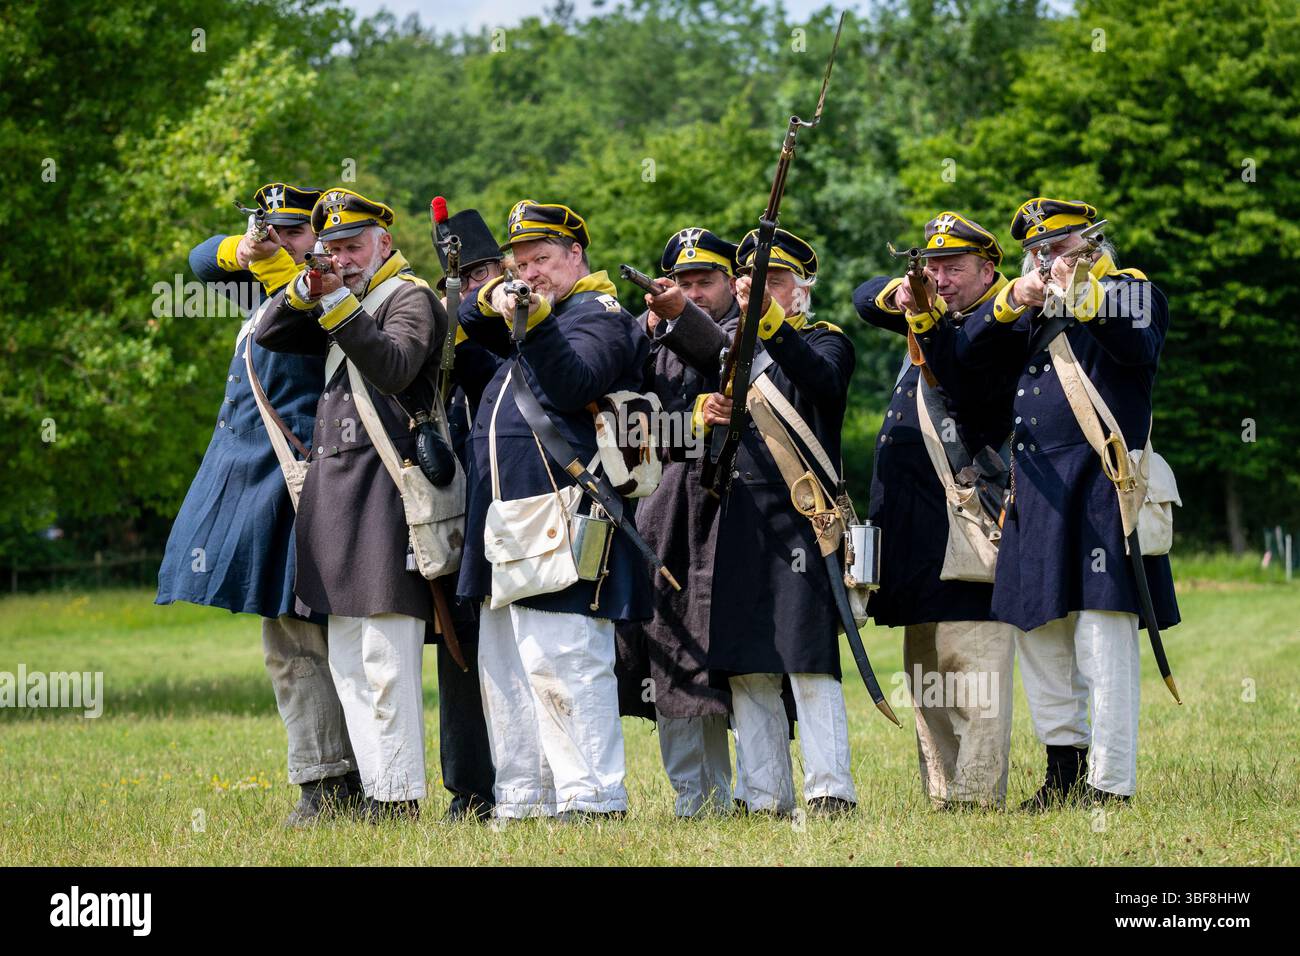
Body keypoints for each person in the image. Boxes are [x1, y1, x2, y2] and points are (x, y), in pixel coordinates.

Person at [921, 197, 1180, 807]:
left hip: (1099, 485)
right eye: (1036, 253)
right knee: (1037, 632)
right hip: (1034, 491)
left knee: (1101, 637)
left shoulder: (1128, 289)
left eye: (1057, 249)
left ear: (1092, 247)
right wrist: (1012, 299)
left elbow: (1137, 345)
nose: (1045, 261)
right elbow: (964, 359)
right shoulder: (1031, 312)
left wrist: (1079, 290)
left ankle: (1111, 782)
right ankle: (1065, 768)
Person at [157, 183, 362, 827]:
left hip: (298, 479)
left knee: (306, 639)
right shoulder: (268, 283)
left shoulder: (324, 298)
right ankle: (332, 777)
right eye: (268, 229)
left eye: (293, 232)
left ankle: (336, 783)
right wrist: (242, 250)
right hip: (253, 478)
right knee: (288, 635)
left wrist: (277, 264)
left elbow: (298, 314)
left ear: (321, 239)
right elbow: (197, 261)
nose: (278, 241)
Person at [255, 187, 448, 821]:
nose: (343, 256)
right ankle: (374, 789)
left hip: (389, 498)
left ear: (384, 243)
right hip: (338, 499)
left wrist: (335, 298)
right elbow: (273, 334)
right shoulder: (347, 301)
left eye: (353, 245)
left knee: (385, 662)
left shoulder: (409, 297)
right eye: (332, 246)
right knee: (348, 662)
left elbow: (394, 367)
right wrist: (307, 289)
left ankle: (397, 798)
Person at [457, 199, 652, 821]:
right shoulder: (537, 309)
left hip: (564, 511)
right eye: (519, 261)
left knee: (568, 656)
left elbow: (574, 385)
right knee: (512, 663)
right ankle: (526, 796)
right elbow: (466, 313)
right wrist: (499, 299)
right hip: (515, 519)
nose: (529, 271)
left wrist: (536, 320)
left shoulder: (598, 313)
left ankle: (593, 796)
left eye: (541, 258)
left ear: (576, 255)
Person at [852, 211, 1018, 808]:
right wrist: (900, 292)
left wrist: (922, 312)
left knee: (974, 672)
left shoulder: (1002, 326)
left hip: (969, 521)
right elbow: (862, 298)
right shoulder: (928, 312)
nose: (941, 278)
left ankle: (976, 797)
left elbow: (960, 370)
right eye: (934, 267)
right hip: (914, 528)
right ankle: (944, 795)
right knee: (927, 678)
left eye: (955, 267)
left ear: (989, 271)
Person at [700, 228, 858, 817]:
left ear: (801, 290)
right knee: (747, 662)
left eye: (777, 281)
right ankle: (762, 792)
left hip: (802, 519)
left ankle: (829, 789)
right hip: (740, 518)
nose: (763, 292)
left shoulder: (825, 340)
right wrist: (705, 412)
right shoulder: (729, 351)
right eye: (754, 284)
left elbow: (820, 380)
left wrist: (766, 321)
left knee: (806, 658)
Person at [615, 226, 740, 817]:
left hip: (733, 514)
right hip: (663, 510)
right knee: (670, 654)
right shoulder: (649, 341)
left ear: (730, 283)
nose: (695, 292)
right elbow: (622, 421)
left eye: (706, 282)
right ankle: (696, 796)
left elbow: (727, 358)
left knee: (734, 657)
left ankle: (761, 790)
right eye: (683, 283)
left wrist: (681, 316)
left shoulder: (751, 333)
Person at [428, 205, 506, 822]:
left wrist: (465, 318)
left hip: (509, 506)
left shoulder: (512, 314)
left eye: (481, 270)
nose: (475, 282)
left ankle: (522, 782)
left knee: (513, 652)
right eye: (462, 274)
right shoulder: (433, 318)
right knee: (457, 654)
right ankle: (468, 789)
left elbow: (506, 379)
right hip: (450, 506)